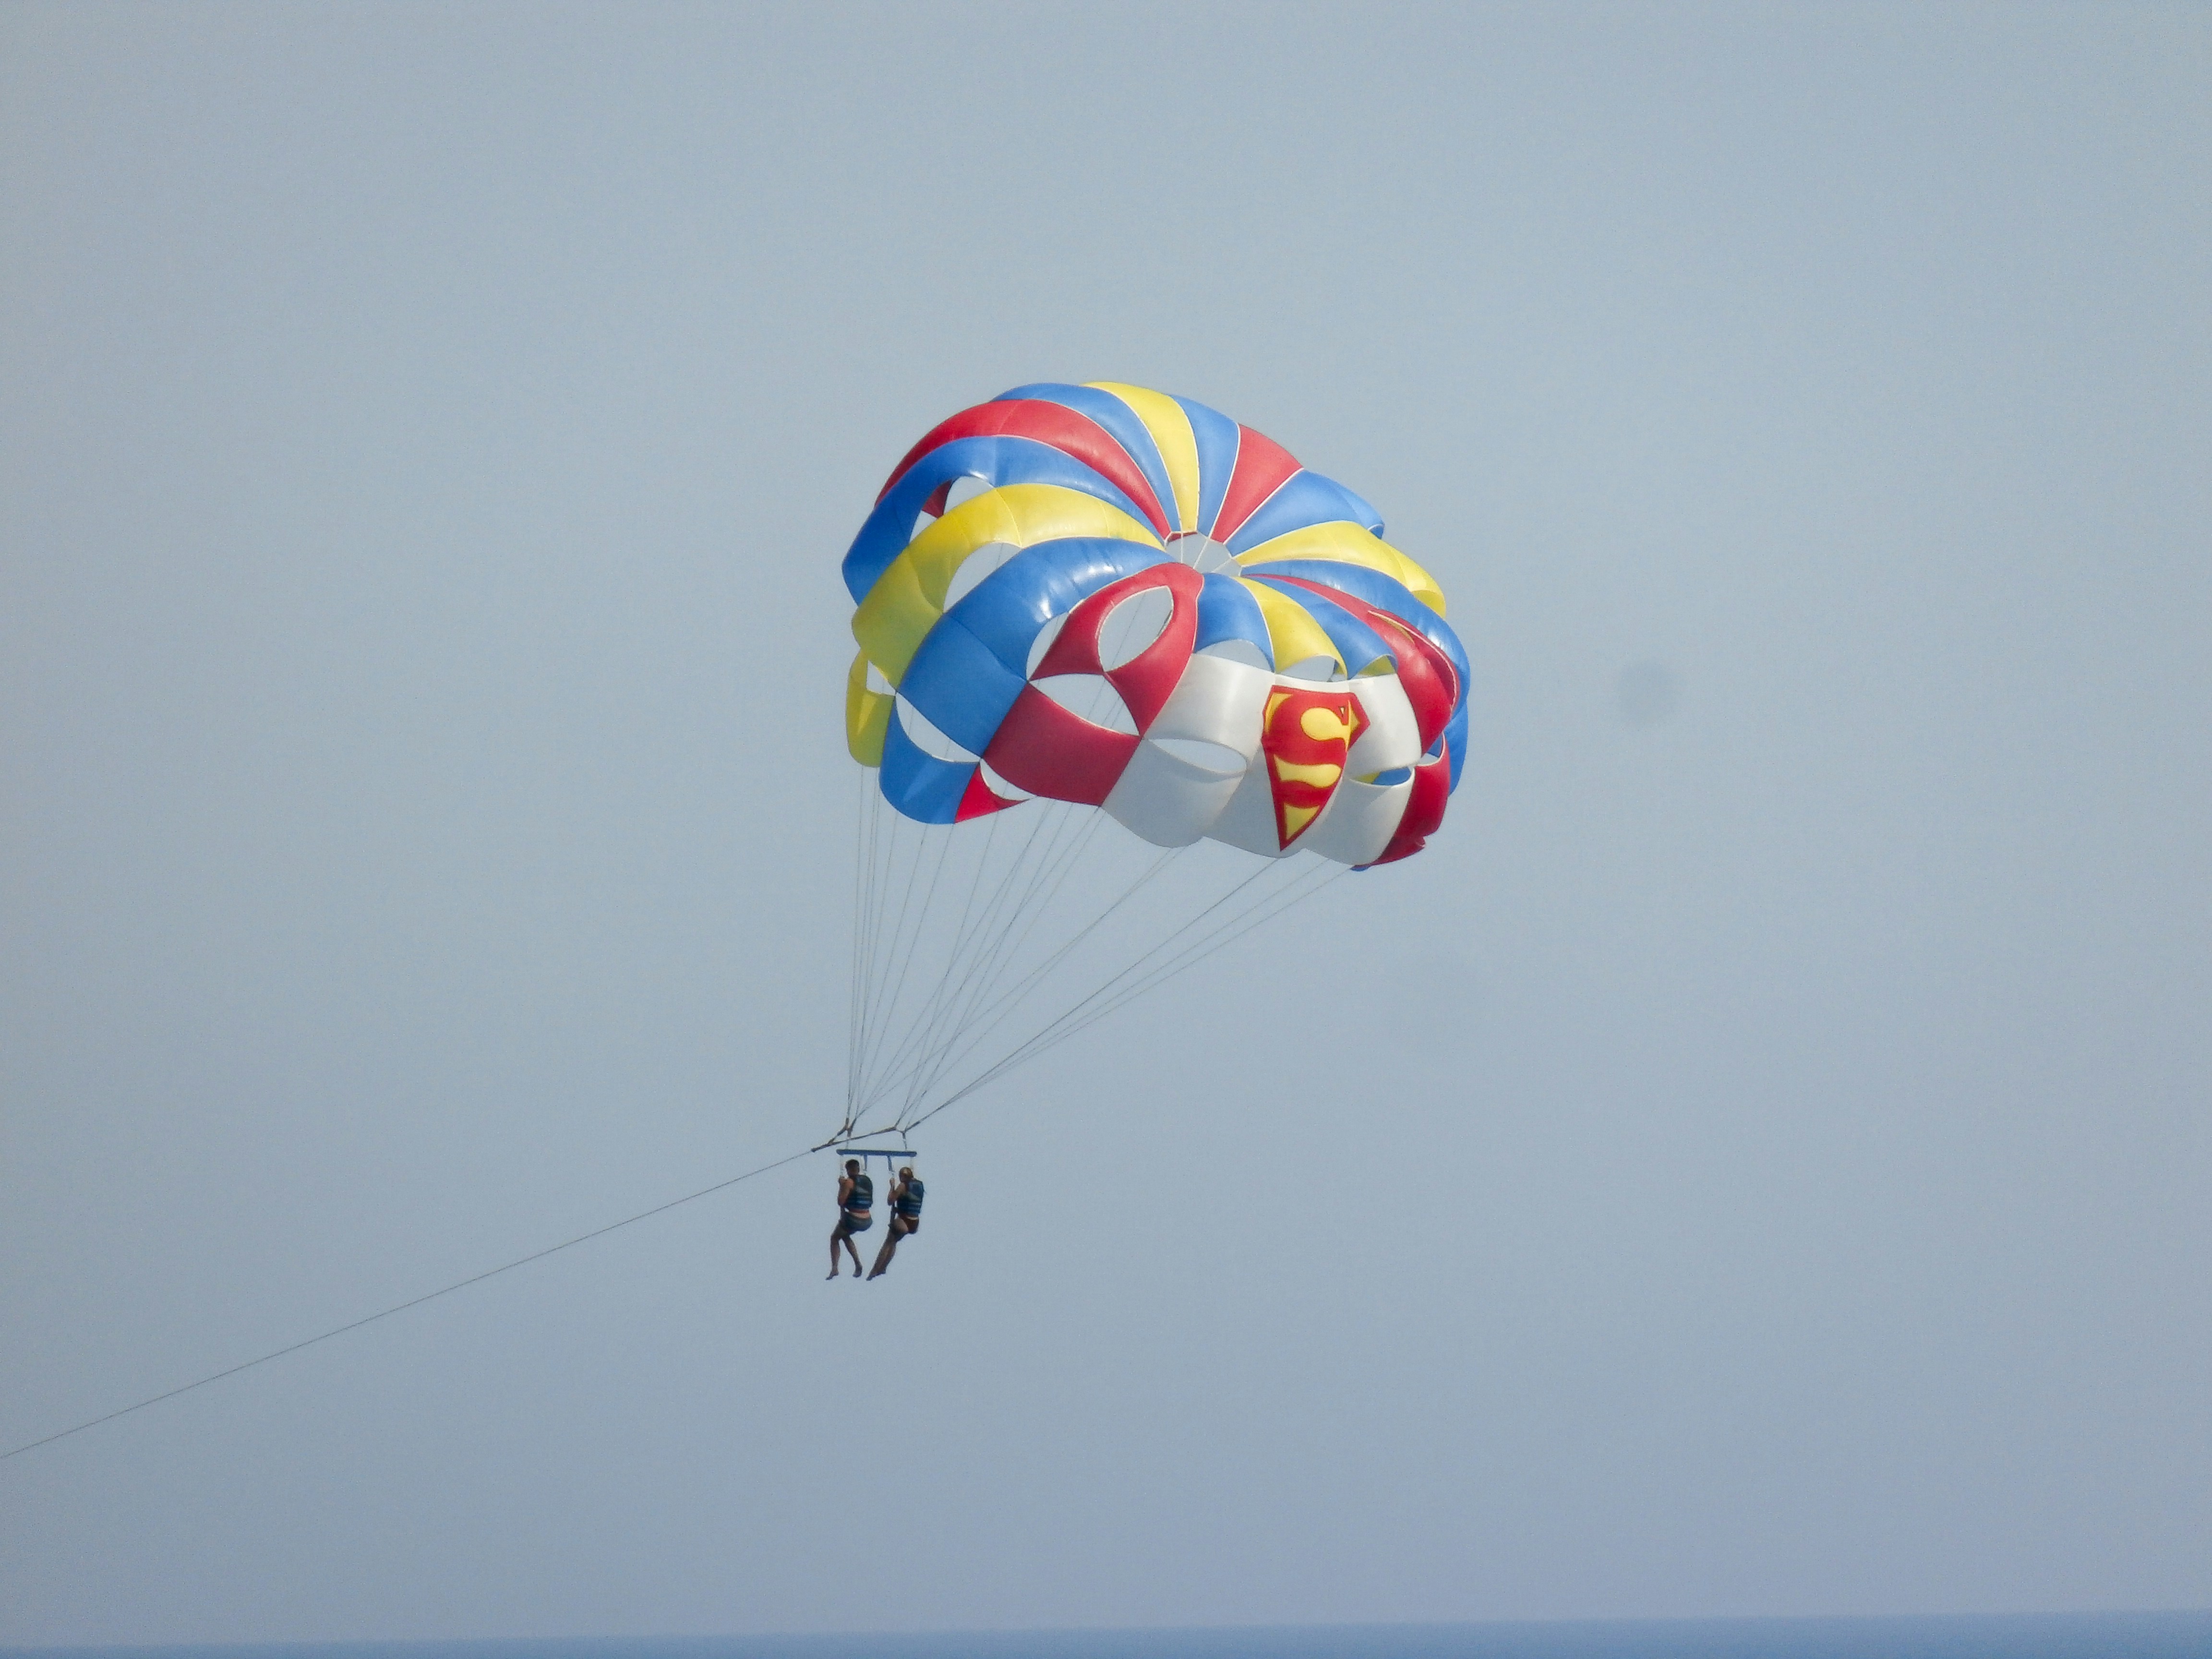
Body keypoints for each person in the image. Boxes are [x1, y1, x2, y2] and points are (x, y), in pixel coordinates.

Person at [866, 1165, 924, 1279]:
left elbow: (890, 1200)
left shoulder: (903, 1186)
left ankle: (875, 1271)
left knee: (888, 1243)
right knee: (893, 1242)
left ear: (903, 1177)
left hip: (904, 1220)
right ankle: (883, 1268)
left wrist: (892, 1186)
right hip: (915, 1222)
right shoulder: (920, 1185)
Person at [828, 1158, 873, 1278]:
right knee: (844, 1235)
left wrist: (841, 1186)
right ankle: (857, 1264)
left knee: (834, 1238)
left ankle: (835, 1268)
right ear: (859, 1169)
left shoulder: (848, 1183)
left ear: (848, 1170)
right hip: (867, 1220)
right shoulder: (867, 1181)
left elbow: (841, 1201)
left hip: (854, 1219)